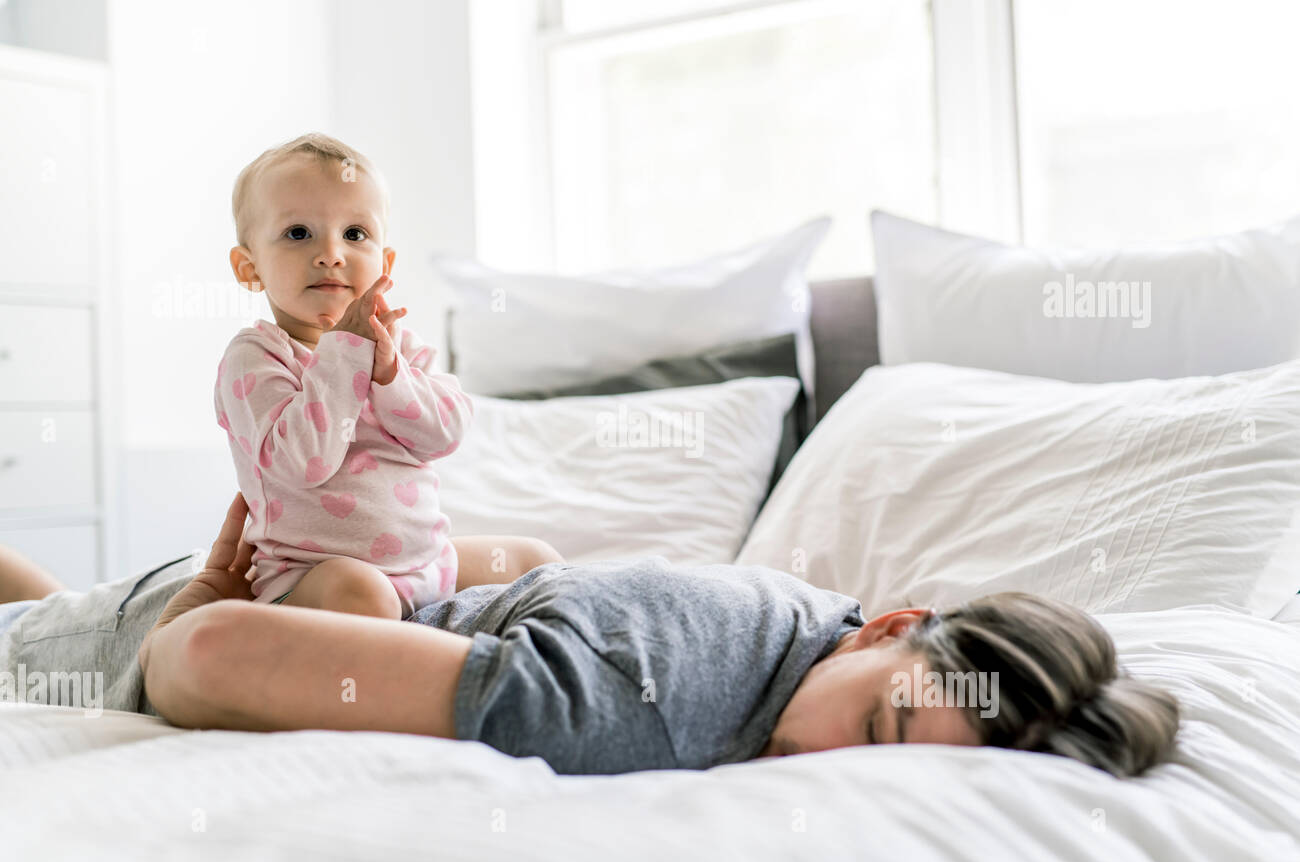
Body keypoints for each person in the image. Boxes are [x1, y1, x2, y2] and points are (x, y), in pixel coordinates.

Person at [0, 494, 1180, 777]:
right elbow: (202, 659)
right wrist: (236, 597)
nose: (860, 771)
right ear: (891, 623)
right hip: (179, 619)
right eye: (880, 726)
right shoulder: (648, 703)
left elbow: (536, 565)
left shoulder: (789, 613)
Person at [220, 132, 560, 620]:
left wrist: (390, 375)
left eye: (355, 234)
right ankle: (401, 675)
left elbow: (445, 434)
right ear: (249, 268)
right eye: (299, 233)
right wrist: (343, 355)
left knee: (536, 561)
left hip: (429, 564)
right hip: (313, 577)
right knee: (363, 593)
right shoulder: (256, 356)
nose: (332, 253)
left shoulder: (398, 346)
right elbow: (303, 464)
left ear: (385, 261)